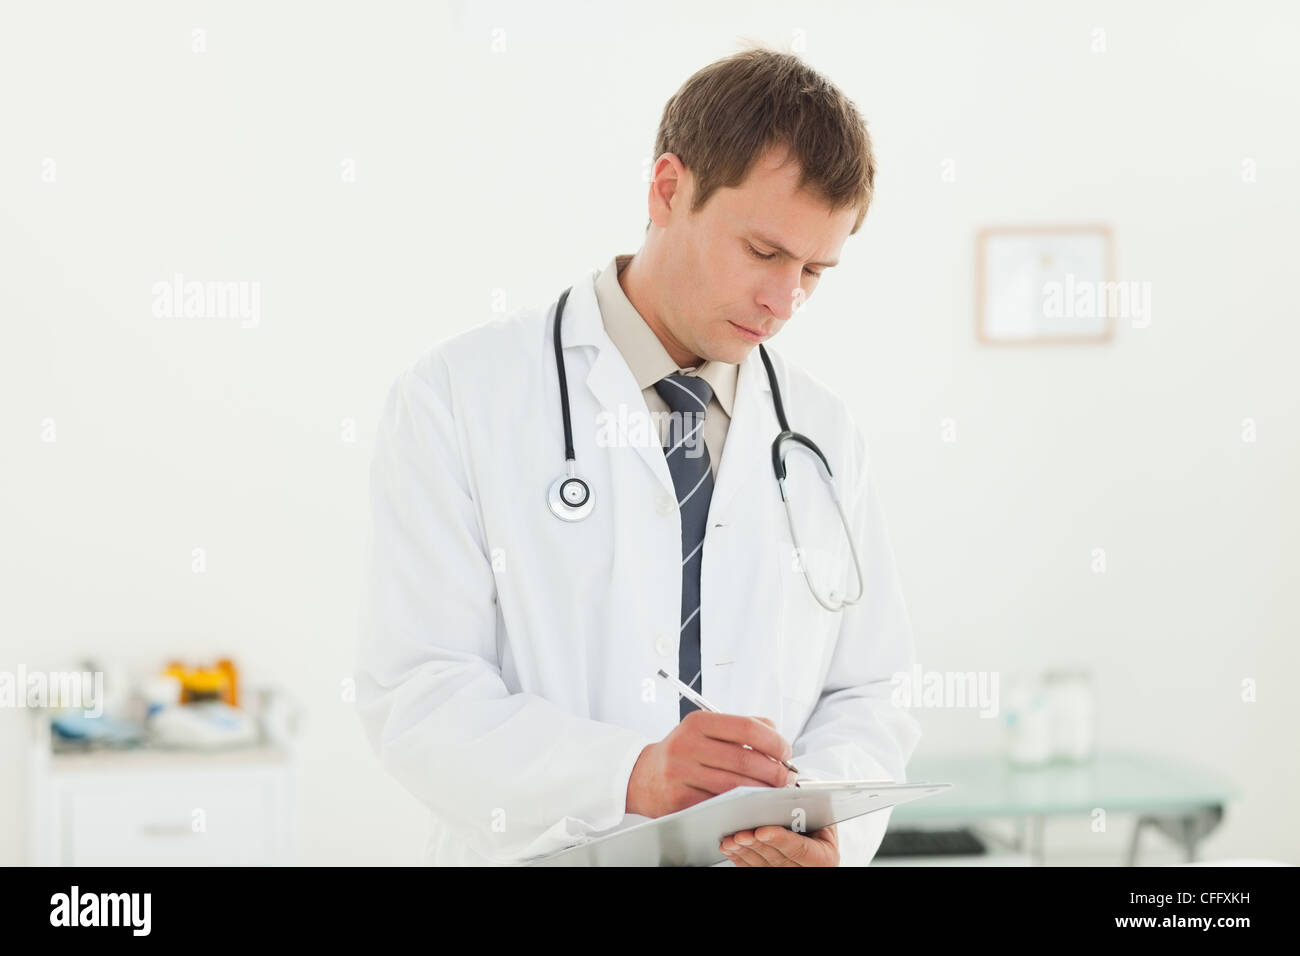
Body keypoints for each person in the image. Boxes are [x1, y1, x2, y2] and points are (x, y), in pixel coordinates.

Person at [356, 47, 921, 866]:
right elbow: (418, 692)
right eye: (763, 253)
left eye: (814, 271)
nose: (785, 300)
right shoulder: (458, 398)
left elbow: (872, 690)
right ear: (668, 190)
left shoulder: (824, 432)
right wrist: (632, 774)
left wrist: (825, 823)